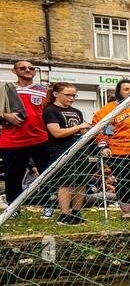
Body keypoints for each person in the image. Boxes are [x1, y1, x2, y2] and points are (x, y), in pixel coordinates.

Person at [92, 79, 130, 218]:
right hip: (121, 150)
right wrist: (103, 145)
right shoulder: (111, 108)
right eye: (126, 89)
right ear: (119, 92)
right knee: (127, 181)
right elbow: (100, 127)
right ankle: (127, 211)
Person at [42, 83, 93, 225]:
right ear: (56, 94)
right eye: (68, 95)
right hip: (61, 150)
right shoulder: (50, 110)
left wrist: (90, 130)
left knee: (81, 181)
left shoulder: (76, 111)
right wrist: (80, 126)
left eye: (74, 95)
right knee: (66, 182)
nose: (71, 98)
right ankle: (64, 215)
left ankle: (77, 213)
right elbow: (56, 133)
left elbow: (82, 131)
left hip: (80, 149)